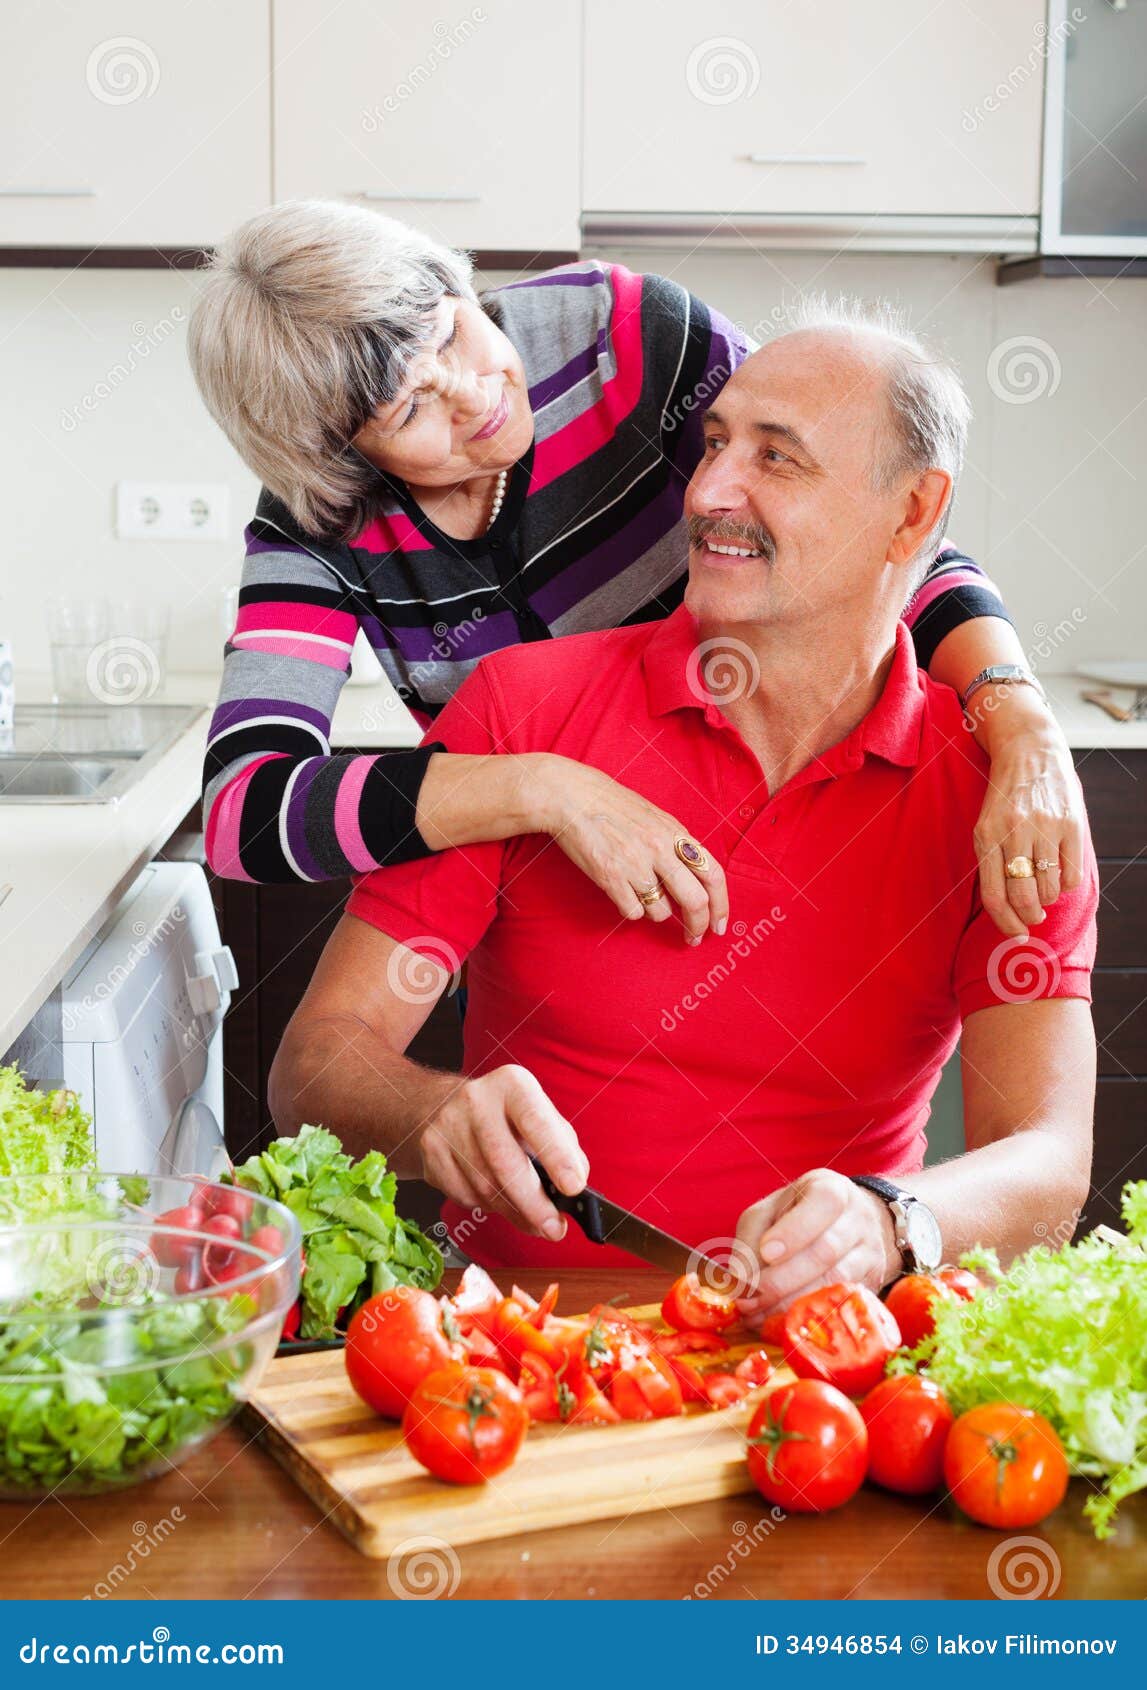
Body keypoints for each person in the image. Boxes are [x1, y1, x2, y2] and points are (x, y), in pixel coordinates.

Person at [268, 300, 1098, 1315]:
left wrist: (890, 1221)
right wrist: (432, 1111)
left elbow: (1049, 1164)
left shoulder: (1002, 800)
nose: (706, 491)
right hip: (525, 1344)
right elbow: (313, 1066)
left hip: (817, 1361)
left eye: (776, 458)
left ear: (913, 514)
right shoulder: (520, 709)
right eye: (712, 444)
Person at [189, 200, 1085, 943]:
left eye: (452, 332)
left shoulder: (616, 334)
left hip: (770, 819)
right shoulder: (319, 514)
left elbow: (880, 536)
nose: (475, 393)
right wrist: (542, 786)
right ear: (336, 452)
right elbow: (241, 813)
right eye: (409, 408)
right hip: (546, 897)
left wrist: (1019, 722)